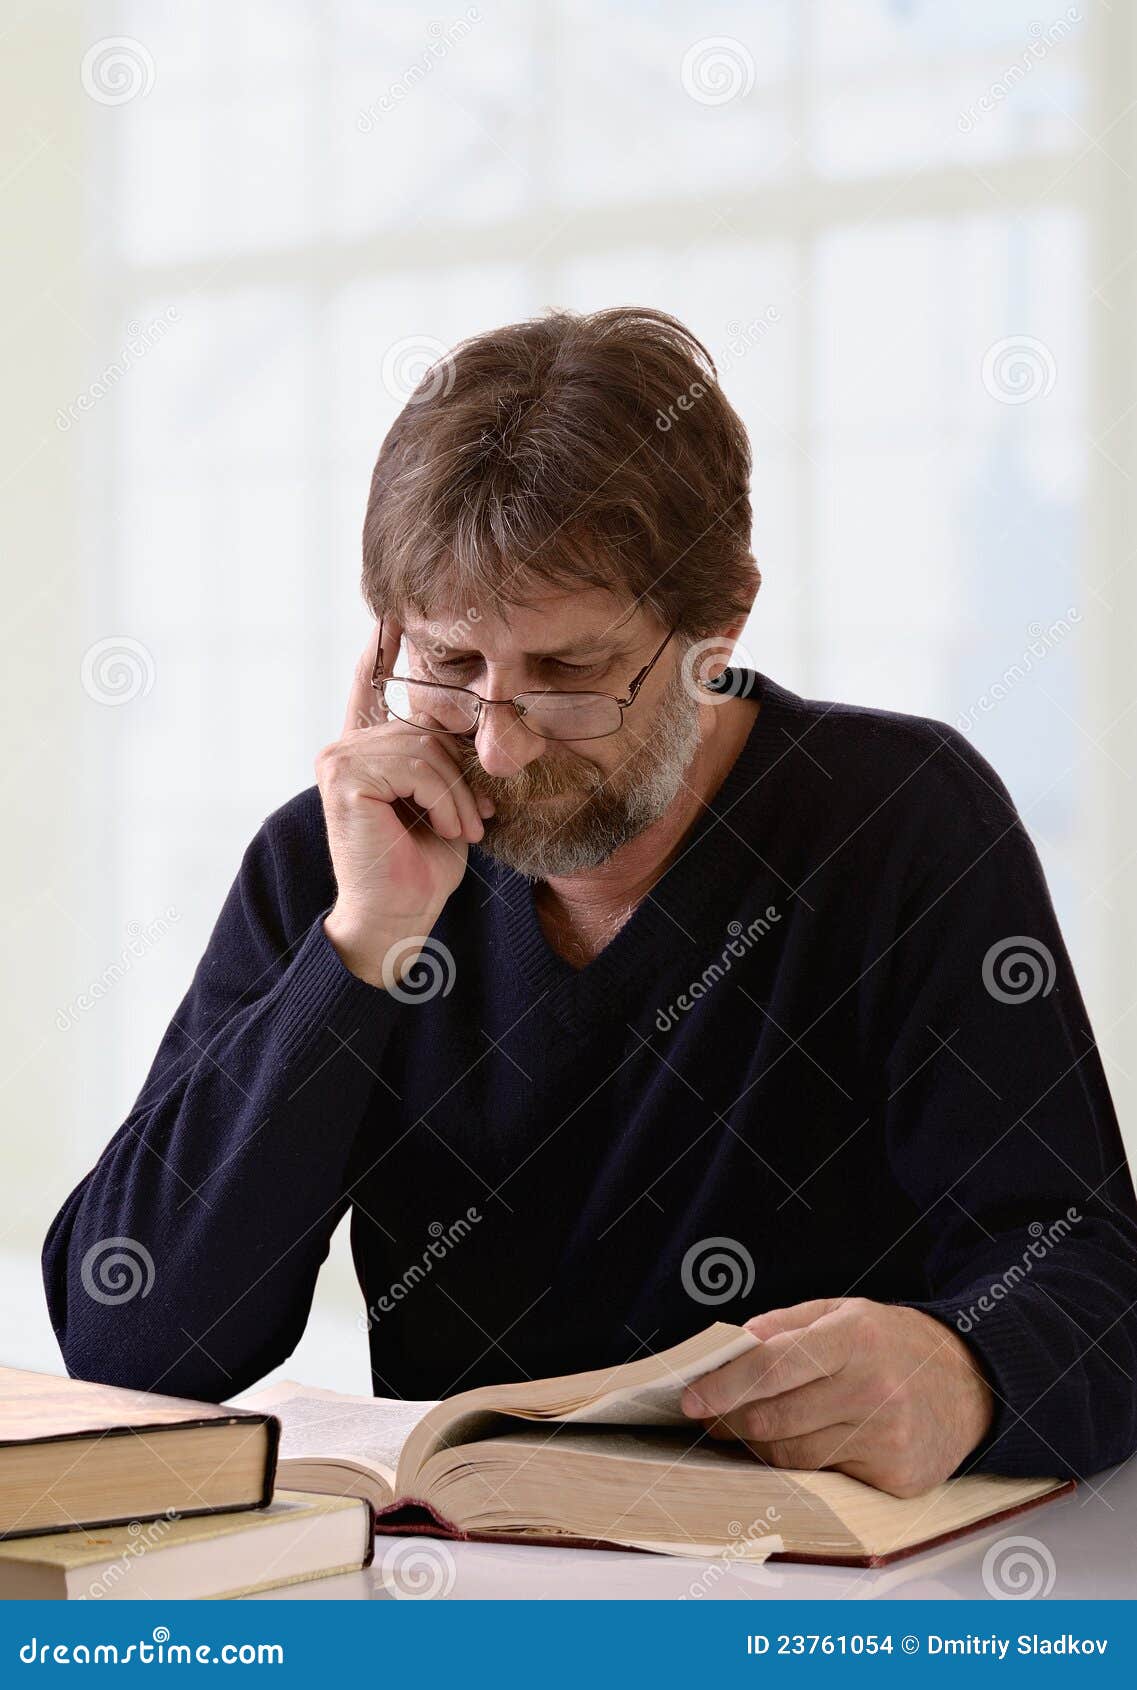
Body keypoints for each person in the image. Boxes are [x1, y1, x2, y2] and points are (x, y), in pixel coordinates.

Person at [43, 308, 1137, 1498]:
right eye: (452, 667)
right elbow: (130, 1341)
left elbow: (1092, 1284)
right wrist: (357, 950)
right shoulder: (337, 865)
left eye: (568, 675)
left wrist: (965, 1370)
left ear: (718, 628)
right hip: (457, 1594)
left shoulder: (902, 823)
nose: (500, 747)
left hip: (818, 1600)